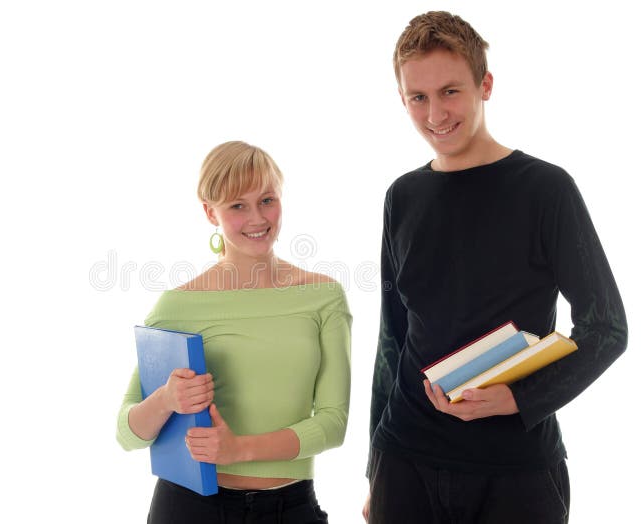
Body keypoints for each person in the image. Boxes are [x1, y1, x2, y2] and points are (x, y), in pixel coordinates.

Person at [364, 11, 627, 524]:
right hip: (406, 458)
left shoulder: (546, 190)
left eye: (450, 92)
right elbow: (391, 338)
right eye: (418, 97)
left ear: (485, 85)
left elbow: (607, 328)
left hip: (516, 468)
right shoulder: (402, 196)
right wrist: (375, 468)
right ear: (402, 99)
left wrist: (519, 398)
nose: (435, 113)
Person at [116, 141, 352, 523]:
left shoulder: (323, 298)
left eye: (267, 200)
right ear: (211, 212)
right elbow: (127, 433)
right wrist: (165, 400)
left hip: (289, 508)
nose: (257, 218)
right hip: (190, 507)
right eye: (237, 206)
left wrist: (238, 449)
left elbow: (333, 423)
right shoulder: (178, 305)